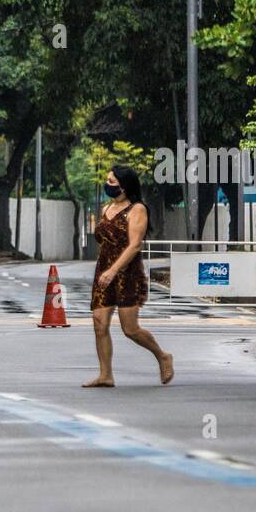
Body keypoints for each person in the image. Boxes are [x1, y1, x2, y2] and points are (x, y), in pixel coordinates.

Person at [84, 165, 174, 387]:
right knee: (99, 323)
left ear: (124, 186)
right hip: (104, 271)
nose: (108, 185)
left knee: (130, 329)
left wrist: (114, 270)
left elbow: (135, 245)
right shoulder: (106, 209)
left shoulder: (137, 210)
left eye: (112, 182)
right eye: (107, 180)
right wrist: (104, 269)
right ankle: (105, 374)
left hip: (126, 273)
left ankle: (163, 356)